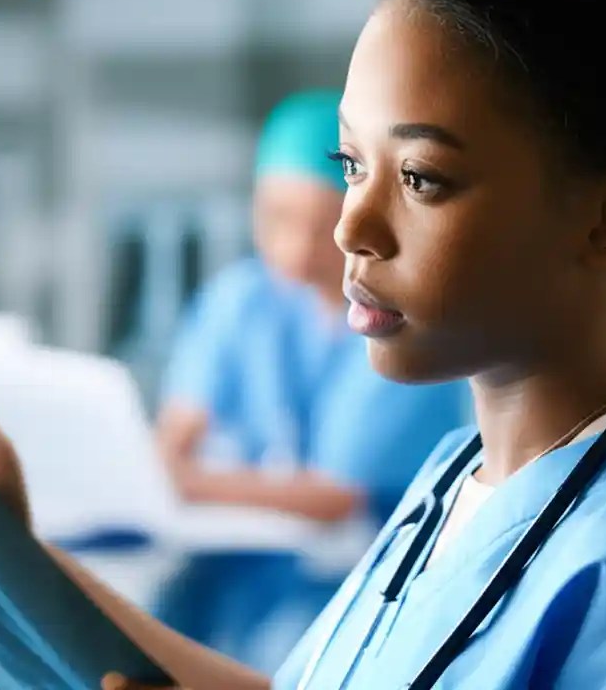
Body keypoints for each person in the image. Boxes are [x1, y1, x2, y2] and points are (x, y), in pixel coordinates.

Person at [0, 0, 606, 686]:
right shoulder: (454, 484)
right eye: (351, 162)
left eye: (422, 178)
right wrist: (4, 548)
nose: (347, 229)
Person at [152, 89, 469, 671]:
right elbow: (178, 430)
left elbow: (332, 495)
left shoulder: (400, 324)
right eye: (277, 220)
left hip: (350, 582)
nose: (296, 251)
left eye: (322, 224)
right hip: (233, 572)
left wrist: (186, 482)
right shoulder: (240, 302)